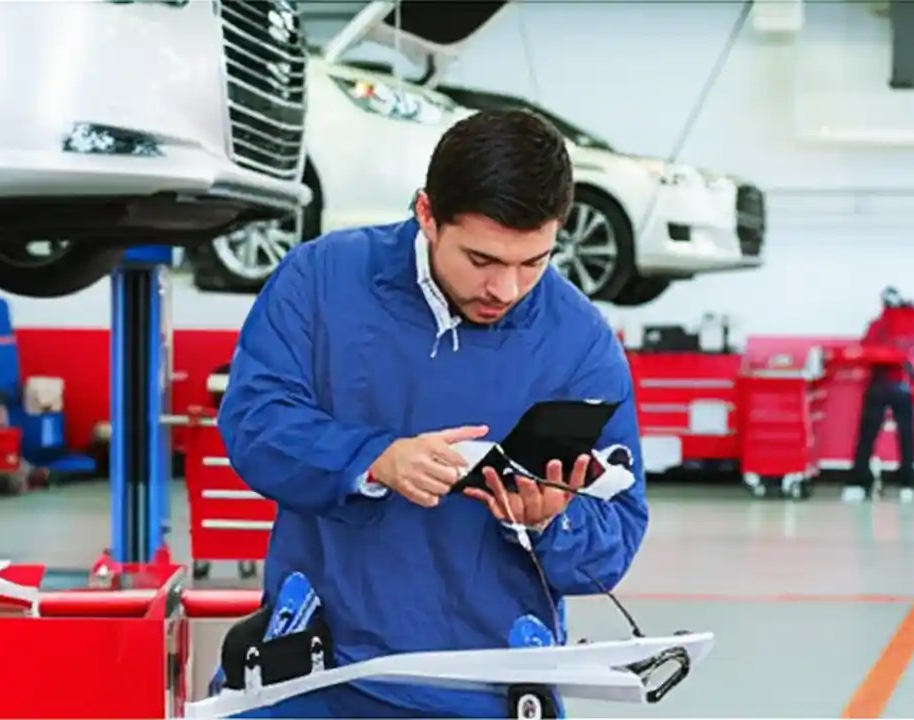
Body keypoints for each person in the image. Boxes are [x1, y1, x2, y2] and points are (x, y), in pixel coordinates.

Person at [216, 109, 649, 718]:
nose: (507, 289)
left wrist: (554, 522)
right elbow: (255, 423)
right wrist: (372, 459)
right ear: (427, 214)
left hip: (487, 688)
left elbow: (617, 536)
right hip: (318, 679)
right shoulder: (319, 281)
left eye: (534, 262)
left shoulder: (580, 341)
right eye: (481, 260)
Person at [844, 286, 914, 503]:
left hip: (879, 386)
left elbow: (864, 351)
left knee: (867, 437)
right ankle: (907, 485)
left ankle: (858, 483)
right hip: (901, 388)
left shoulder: (877, 325)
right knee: (906, 437)